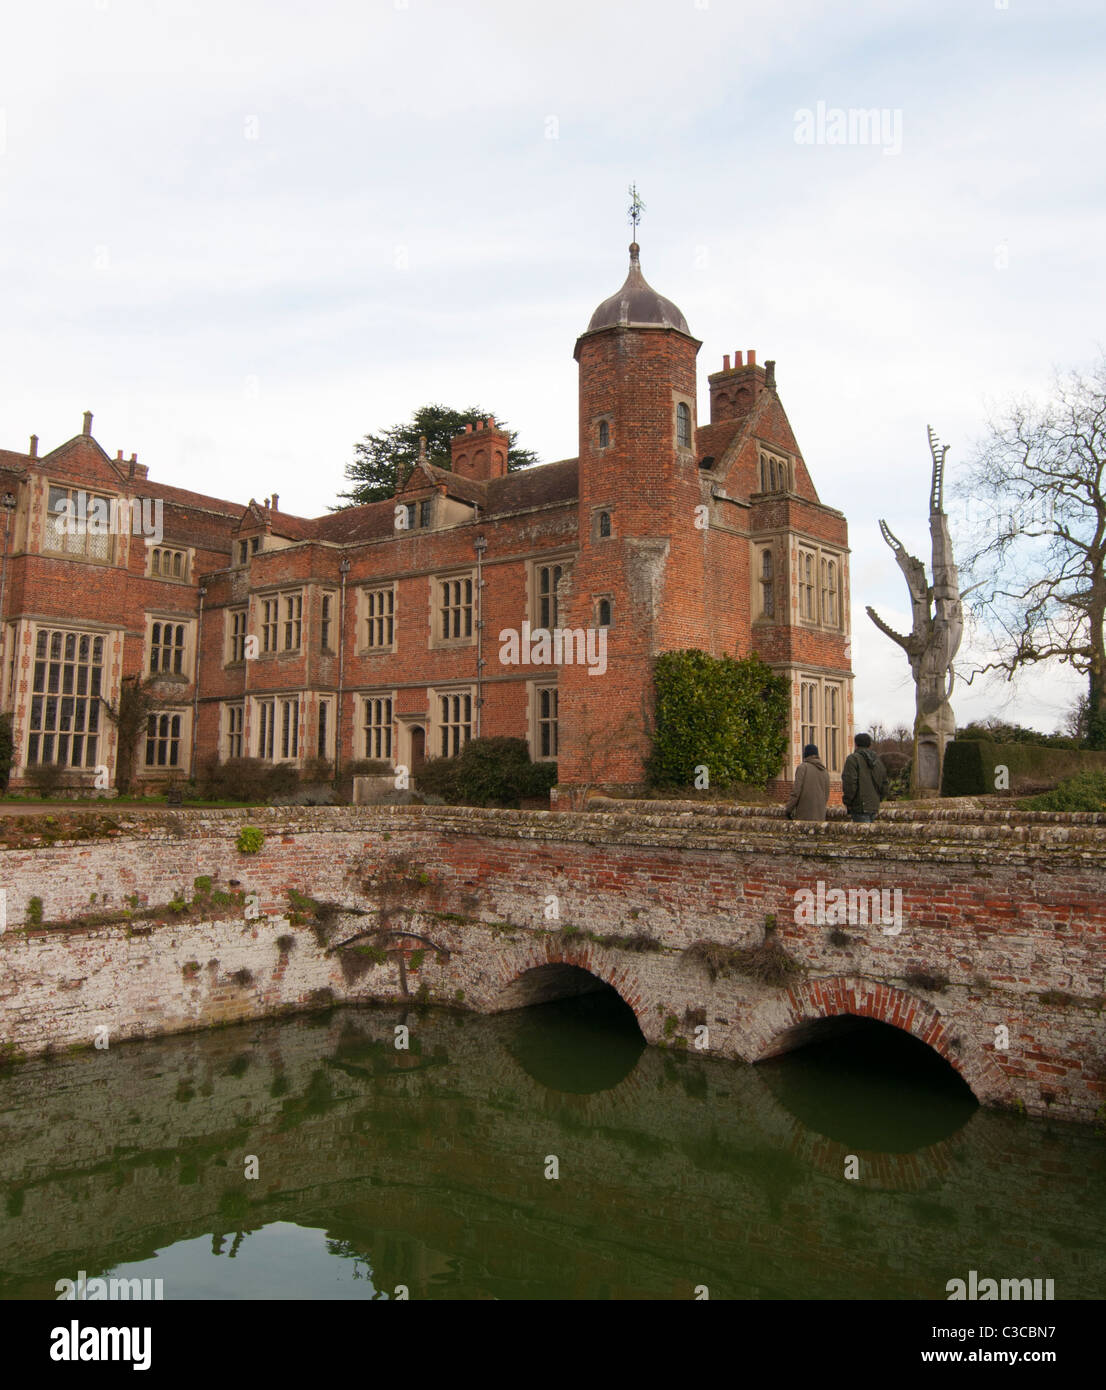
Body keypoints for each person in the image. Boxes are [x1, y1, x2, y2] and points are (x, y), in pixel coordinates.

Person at [841, 732, 889, 822]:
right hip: (874, 806)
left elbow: (850, 783)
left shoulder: (853, 759)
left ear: (856, 744)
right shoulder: (878, 761)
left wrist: (847, 801)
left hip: (859, 806)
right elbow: (884, 783)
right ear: (870, 744)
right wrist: (878, 799)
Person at [785, 744, 830, 821]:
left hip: (804, 814)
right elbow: (826, 794)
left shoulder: (803, 768)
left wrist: (788, 809)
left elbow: (796, 791)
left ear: (805, 754)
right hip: (820, 815)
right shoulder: (824, 771)